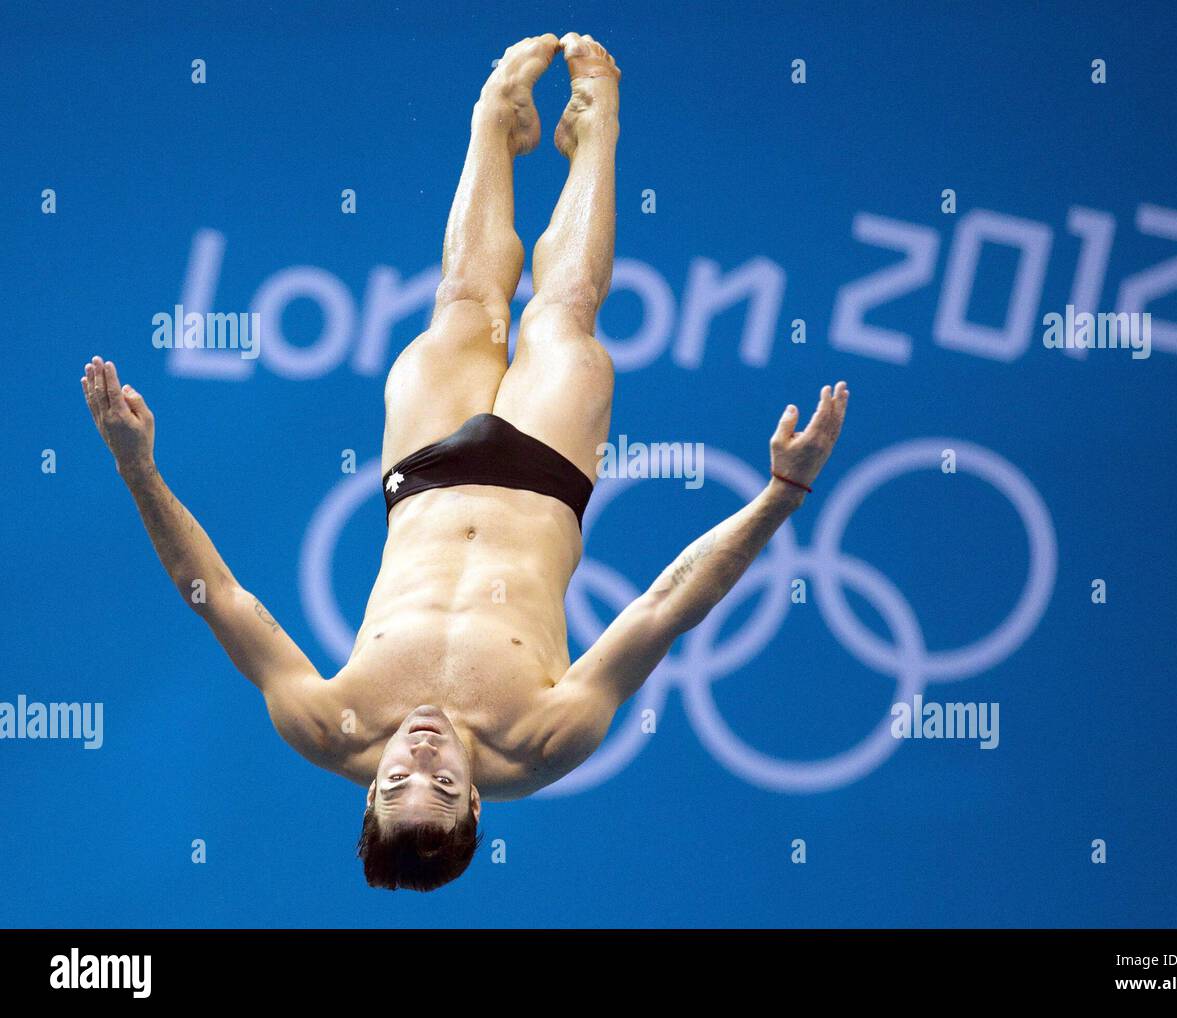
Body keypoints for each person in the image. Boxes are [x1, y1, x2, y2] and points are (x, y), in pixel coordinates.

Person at [80, 33, 850, 891]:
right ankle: (596, 128)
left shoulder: (326, 724)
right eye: (443, 786)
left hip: (424, 471)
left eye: (396, 783)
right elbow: (667, 606)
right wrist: (783, 492)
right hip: (544, 476)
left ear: (367, 795)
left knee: (463, 305)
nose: (420, 757)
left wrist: (136, 468)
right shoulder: (543, 743)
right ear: (477, 804)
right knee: (561, 315)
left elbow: (217, 596)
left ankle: (496, 122)